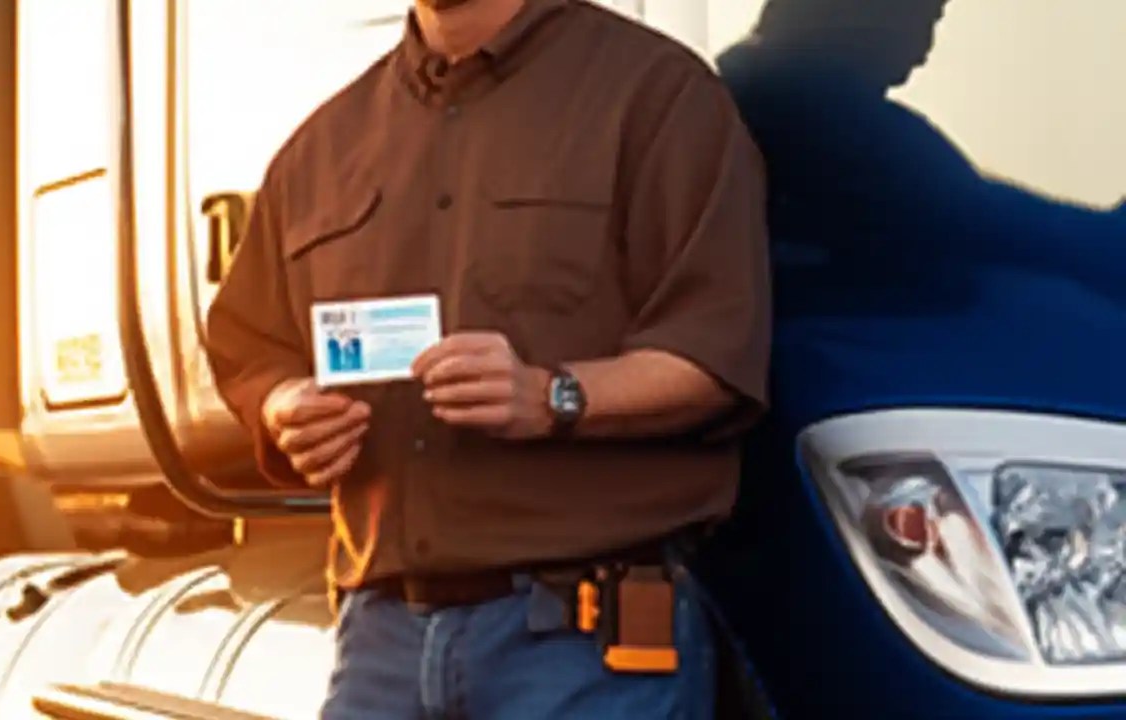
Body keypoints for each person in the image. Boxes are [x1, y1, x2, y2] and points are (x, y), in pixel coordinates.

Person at [204, 0, 770, 717]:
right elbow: (251, 344)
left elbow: (717, 357)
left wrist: (551, 397)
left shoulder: (655, 97)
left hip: (587, 645)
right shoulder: (322, 145)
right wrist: (284, 407)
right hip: (378, 643)